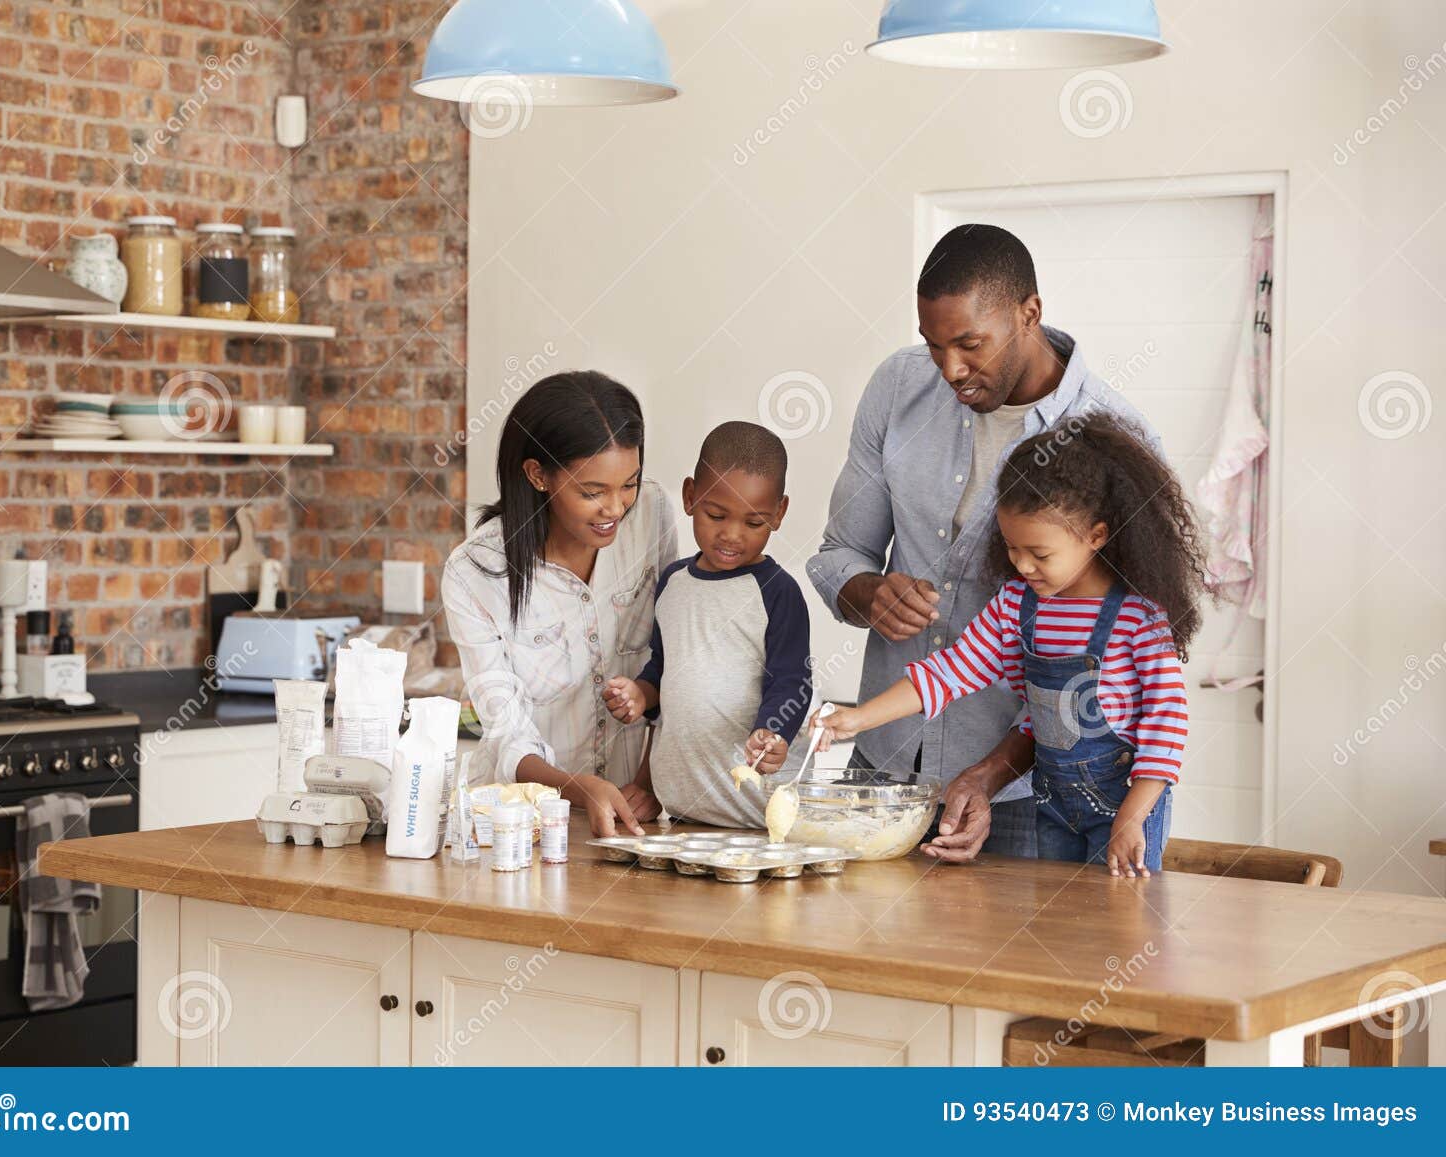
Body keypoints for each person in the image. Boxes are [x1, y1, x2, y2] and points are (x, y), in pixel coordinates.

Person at [807, 223, 1163, 862]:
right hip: (883, 764)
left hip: (1033, 800)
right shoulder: (897, 387)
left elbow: (1114, 678)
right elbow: (839, 555)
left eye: (971, 344)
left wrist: (992, 770)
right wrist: (866, 594)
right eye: (933, 344)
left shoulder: (1114, 440)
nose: (950, 369)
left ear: (1030, 314)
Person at [811, 415, 1206, 876]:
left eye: (1040, 554)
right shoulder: (1016, 603)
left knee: (1119, 926)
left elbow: (1167, 726)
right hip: (1053, 804)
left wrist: (1131, 818)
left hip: (1125, 808)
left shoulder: (1138, 617)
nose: (1022, 566)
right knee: (1059, 924)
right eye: (1013, 549)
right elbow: (948, 672)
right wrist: (857, 719)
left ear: (1096, 536)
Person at [442, 371, 677, 837]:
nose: (616, 508)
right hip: (523, 826)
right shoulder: (475, 573)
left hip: (636, 819)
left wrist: (649, 777)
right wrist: (577, 788)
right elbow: (505, 731)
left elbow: (672, 656)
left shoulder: (650, 514)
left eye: (628, 484)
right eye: (592, 492)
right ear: (537, 475)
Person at [603, 421, 811, 828]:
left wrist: (773, 731)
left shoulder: (778, 593)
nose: (732, 535)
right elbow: (663, 671)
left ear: (779, 513)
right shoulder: (673, 583)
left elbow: (792, 682)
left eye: (754, 523)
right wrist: (640, 695)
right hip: (684, 815)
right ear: (690, 497)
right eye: (716, 515)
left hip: (756, 818)